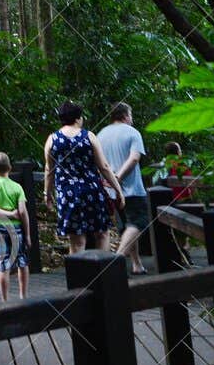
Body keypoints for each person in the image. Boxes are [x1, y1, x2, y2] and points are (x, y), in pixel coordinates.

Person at [43, 100, 124, 255]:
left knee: (77, 240)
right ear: (78, 118)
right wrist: (118, 189)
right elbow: (104, 167)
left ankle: (79, 277)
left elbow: (49, 170)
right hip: (92, 192)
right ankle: (104, 273)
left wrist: (47, 194)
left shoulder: (52, 139)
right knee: (101, 233)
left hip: (68, 194)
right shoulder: (89, 136)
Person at [97, 101, 148, 275]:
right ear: (125, 116)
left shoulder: (101, 134)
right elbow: (134, 159)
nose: (132, 120)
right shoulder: (132, 133)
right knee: (138, 223)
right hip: (131, 189)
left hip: (110, 191)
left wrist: (108, 181)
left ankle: (136, 264)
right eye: (131, 116)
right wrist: (118, 177)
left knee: (127, 227)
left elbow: (98, 163)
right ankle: (117, 260)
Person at [0, 151, 31, 302]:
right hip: (17, 229)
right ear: (9, 167)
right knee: (22, 262)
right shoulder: (17, 187)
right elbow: (23, 212)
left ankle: (5, 300)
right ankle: (23, 296)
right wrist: (28, 234)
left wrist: (6, 214)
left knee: (3, 265)